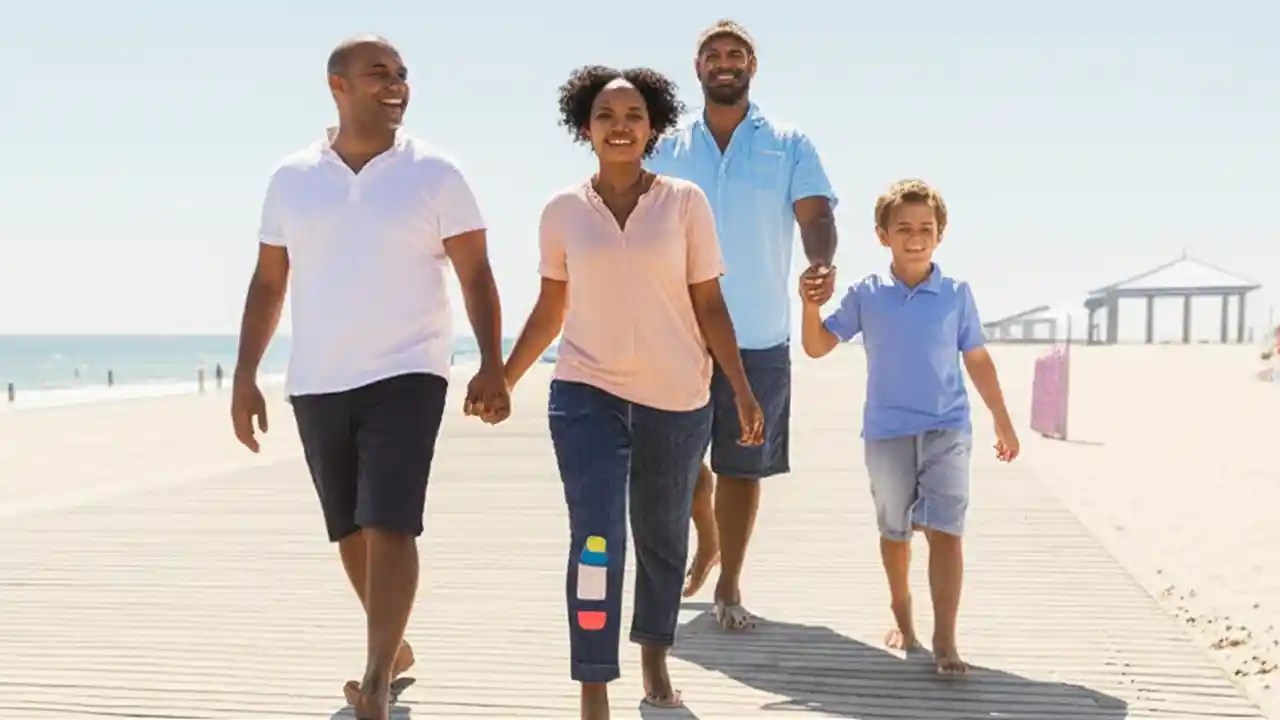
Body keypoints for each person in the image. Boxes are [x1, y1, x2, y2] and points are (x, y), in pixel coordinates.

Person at [229, 34, 508, 720]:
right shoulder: (291, 177)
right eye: (378, 72)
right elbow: (270, 283)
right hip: (318, 376)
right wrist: (244, 375)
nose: (396, 83)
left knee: (391, 522)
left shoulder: (437, 173)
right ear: (338, 85)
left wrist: (493, 363)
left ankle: (377, 679)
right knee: (349, 530)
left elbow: (476, 273)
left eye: (403, 74)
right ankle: (397, 646)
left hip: (409, 369)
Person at [501, 64, 764, 718]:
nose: (620, 127)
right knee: (595, 539)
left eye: (633, 116)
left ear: (653, 127)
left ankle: (653, 654)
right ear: (584, 127)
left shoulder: (684, 202)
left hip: (676, 397)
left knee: (661, 535)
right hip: (585, 391)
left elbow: (709, 301)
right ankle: (594, 685)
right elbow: (549, 308)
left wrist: (740, 387)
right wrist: (502, 379)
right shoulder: (561, 210)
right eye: (606, 116)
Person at [643, 19, 840, 628]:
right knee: (673, 463)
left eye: (736, 54)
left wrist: (821, 262)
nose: (724, 62)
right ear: (697, 68)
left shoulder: (789, 143)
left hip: (757, 333)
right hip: (675, 330)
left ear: (752, 67)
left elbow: (814, 215)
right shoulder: (665, 145)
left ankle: (728, 584)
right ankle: (707, 536)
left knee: (741, 464)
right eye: (713, 54)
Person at [799, 178, 1020, 675]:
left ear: (940, 234)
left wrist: (1002, 422)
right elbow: (816, 347)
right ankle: (904, 617)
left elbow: (978, 359)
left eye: (926, 228)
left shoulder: (956, 294)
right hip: (887, 432)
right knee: (895, 533)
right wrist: (810, 303)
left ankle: (946, 641)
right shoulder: (866, 295)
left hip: (948, 429)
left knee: (946, 531)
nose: (915, 237)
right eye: (904, 229)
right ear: (883, 235)